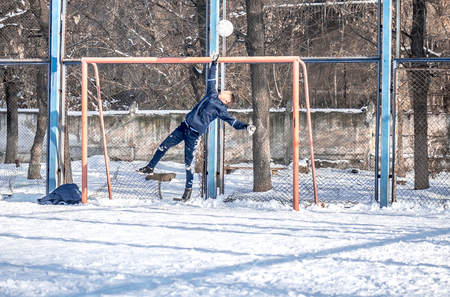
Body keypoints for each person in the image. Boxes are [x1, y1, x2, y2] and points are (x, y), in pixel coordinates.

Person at [137, 52, 256, 202]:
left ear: (227, 100)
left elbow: (233, 122)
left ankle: (187, 191)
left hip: (194, 135)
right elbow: (211, 79)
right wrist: (214, 63)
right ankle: (150, 167)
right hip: (184, 127)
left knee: (188, 163)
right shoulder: (211, 94)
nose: (222, 91)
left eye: (225, 93)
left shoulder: (221, 110)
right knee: (164, 145)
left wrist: (246, 126)